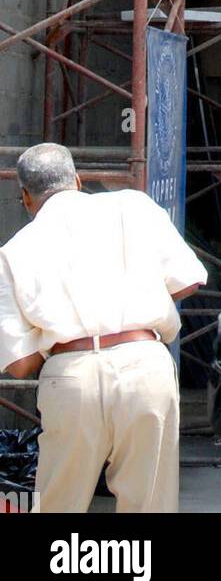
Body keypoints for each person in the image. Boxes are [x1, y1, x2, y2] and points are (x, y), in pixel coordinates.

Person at [0, 142, 207, 513]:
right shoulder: (134, 207)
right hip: (145, 365)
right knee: (150, 506)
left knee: (58, 506)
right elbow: (189, 280)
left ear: (26, 199)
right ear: (78, 181)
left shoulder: (14, 251)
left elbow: (20, 365)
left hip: (71, 377)